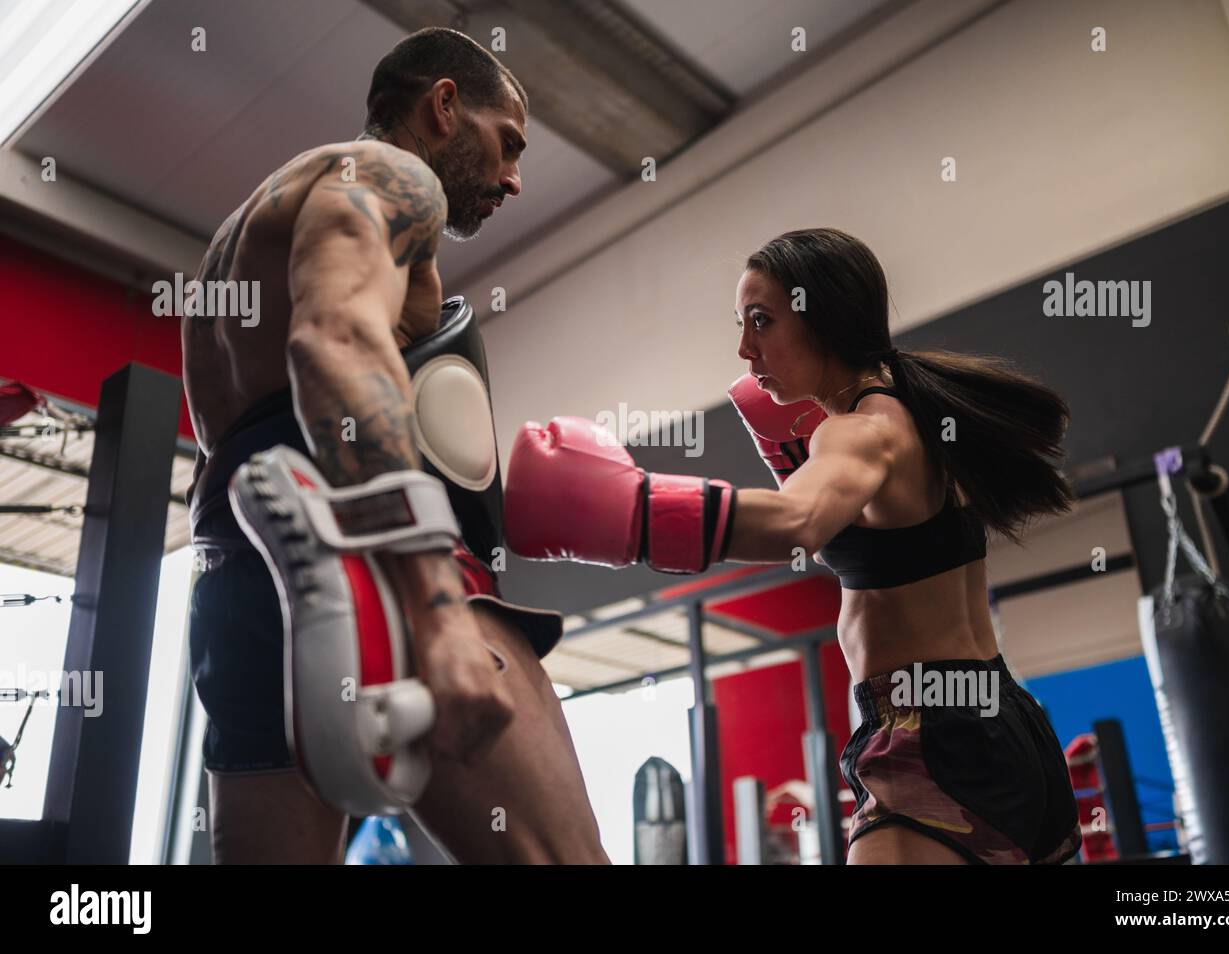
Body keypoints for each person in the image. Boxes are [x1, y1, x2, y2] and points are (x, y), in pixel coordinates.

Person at [506, 227, 1083, 865]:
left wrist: (625, 513)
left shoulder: (861, 432)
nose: (744, 347)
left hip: (935, 731)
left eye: (762, 320)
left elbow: (794, 522)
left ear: (824, 316)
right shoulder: (916, 417)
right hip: (1003, 719)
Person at [182, 27, 607, 864]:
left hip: (237, 580)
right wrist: (435, 608)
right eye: (507, 143)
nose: (514, 179)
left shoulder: (240, 236)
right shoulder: (390, 174)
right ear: (444, 105)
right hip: (368, 565)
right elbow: (333, 342)